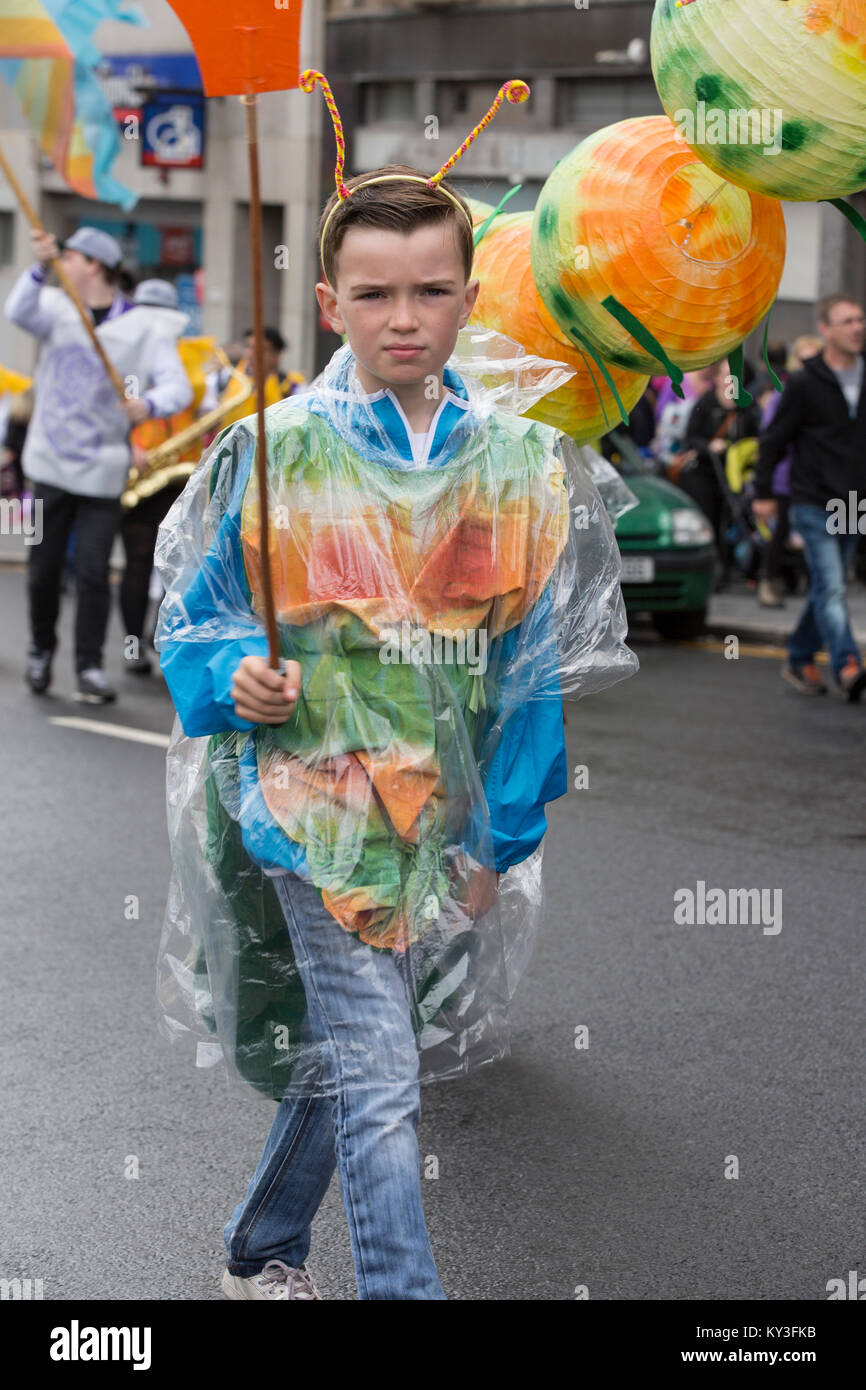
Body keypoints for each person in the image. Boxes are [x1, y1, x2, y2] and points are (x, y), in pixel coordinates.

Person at [153, 128, 637, 1299]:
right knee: (380, 1070)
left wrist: (497, 836)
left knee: (360, 1051)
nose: (402, 318)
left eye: (430, 290)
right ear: (329, 301)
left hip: (440, 819)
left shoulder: (522, 464)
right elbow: (194, 623)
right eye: (373, 294)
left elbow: (528, 674)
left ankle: (260, 1248)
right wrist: (235, 680)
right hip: (307, 808)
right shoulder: (273, 454)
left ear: (470, 296)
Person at [4, 227, 193, 703]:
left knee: (92, 573)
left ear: (95, 264)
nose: (64, 262)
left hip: (103, 471)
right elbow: (17, 311)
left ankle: (89, 666)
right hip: (48, 464)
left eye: (69, 256)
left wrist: (147, 404)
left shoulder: (144, 325)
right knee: (44, 570)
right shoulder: (55, 308)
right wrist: (39, 267)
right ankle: (41, 649)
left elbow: (178, 388)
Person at [753, 294, 866, 699]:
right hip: (812, 499)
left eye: (859, 319)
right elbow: (774, 439)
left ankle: (800, 655)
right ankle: (848, 664)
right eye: (847, 321)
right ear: (825, 329)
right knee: (833, 587)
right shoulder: (802, 382)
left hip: (854, 503)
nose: (857, 327)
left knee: (826, 586)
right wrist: (763, 492)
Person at [119, 279, 194, 675]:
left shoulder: (189, 358)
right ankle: (135, 644)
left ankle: (158, 638)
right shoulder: (123, 355)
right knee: (139, 562)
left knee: (175, 564)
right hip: (138, 469)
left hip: (177, 471)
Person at [754, 335, 823, 609]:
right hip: (786, 474)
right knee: (779, 531)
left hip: (815, 477)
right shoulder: (785, 391)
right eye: (803, 359)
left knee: (815, 532)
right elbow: (772, 435)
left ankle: (813, 583)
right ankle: (768, 580)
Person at [680, 358, 759, 584]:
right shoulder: (705, 403)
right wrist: (709, 447)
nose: (730, 379)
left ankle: (732, 566)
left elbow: (755, 436)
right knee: (710, 520)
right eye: (726, 374)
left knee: (734, 519)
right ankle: (713, 569)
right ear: (715, 378)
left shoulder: (746, 406)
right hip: (706, 472)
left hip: (735, 475)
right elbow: (691, 437)